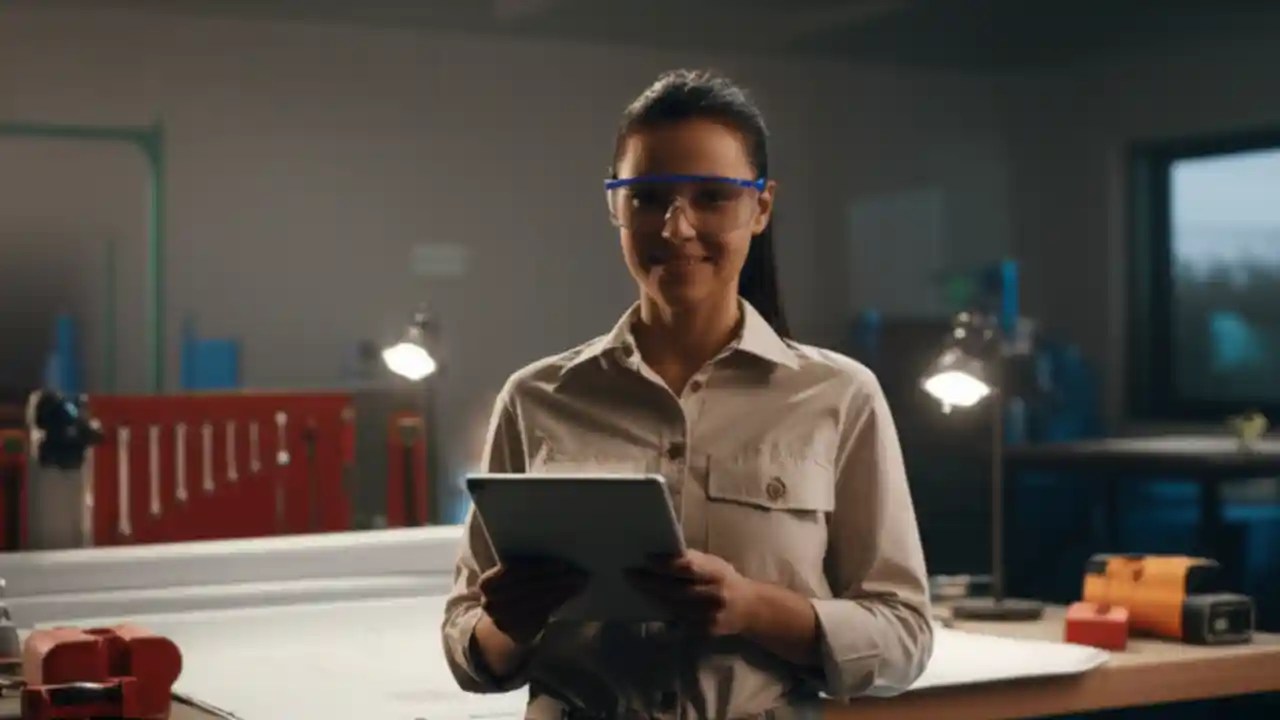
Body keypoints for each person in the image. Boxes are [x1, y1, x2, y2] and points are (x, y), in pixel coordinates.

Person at [443, 69, 932, 719]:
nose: (676, 227)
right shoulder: (537, 398)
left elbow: (903, 637)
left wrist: (754, 609)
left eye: (711, 196)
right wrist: (511, 625)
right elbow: (467, 642)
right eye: (647, 198)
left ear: (760, 208)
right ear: (613, 205)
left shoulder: (839, 396)